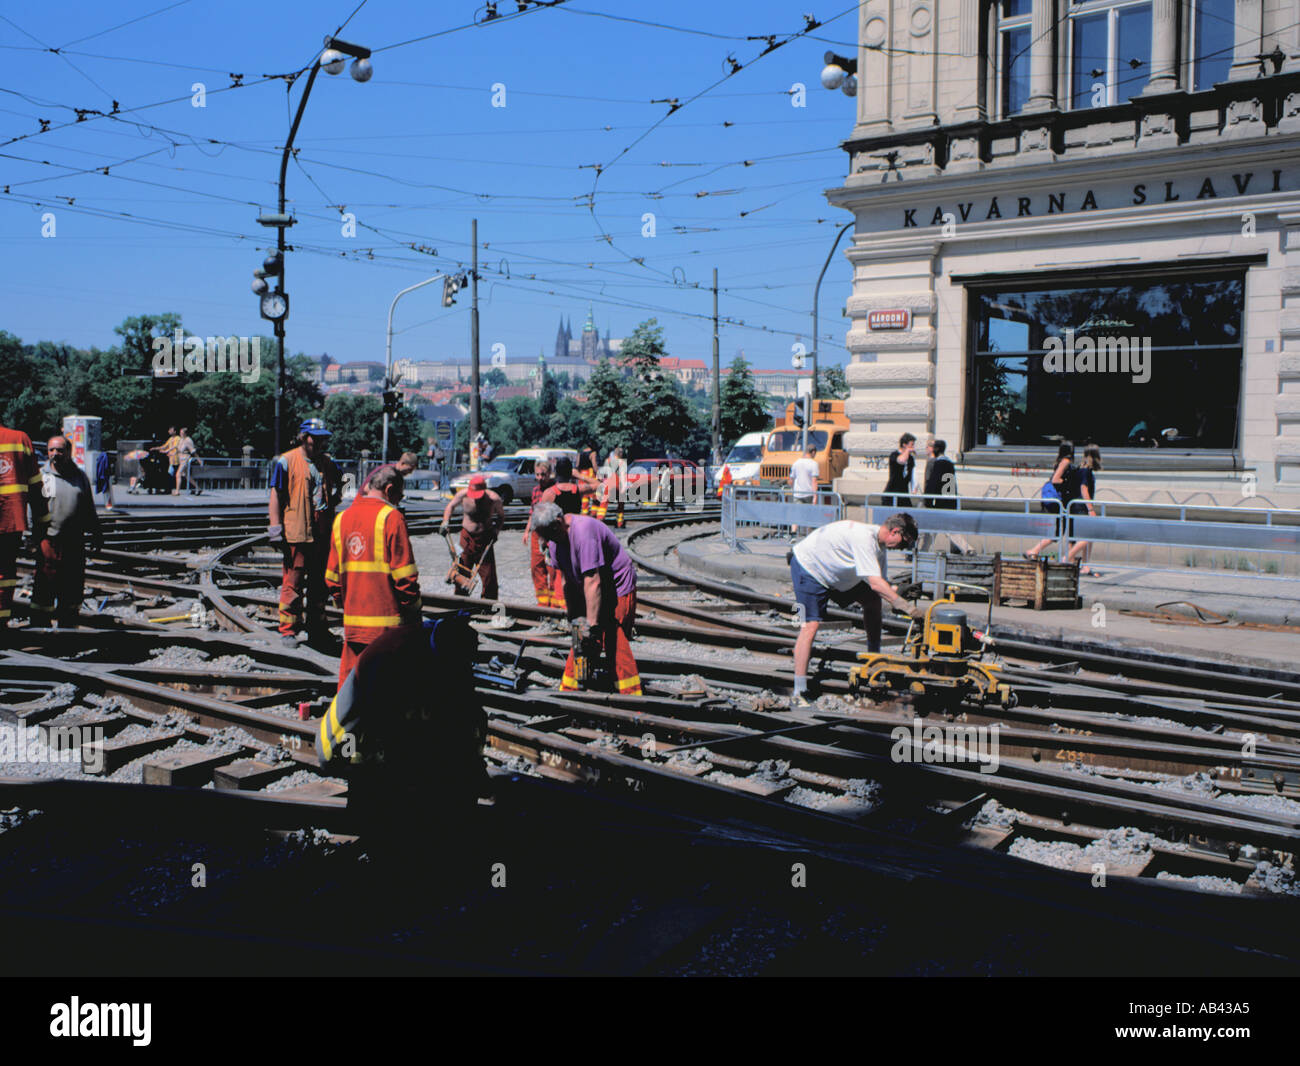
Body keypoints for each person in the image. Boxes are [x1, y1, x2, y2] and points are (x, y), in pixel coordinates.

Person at [316, 616, 488, 852]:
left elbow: (466, 718)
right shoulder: (390, 660)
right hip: (364, 740)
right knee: (380, 772)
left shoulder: (449, 661)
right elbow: (382, 730)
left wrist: (471, 767)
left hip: (397, 734)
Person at [788, 513, 923, 708]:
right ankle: (799, 690)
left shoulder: (880, 548)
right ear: (895, 531)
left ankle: (874, 662)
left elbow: (880, 586)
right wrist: (907, 607)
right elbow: (876, 583)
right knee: (810, 625)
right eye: (904, 542)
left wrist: (898, 592)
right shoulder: (864, 539)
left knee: (873, 601)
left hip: (838, 575)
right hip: (811, 569)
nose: (903, 548)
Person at [530, 501, 641, 696]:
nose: (544, 540)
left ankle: (631, 696)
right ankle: (575, 687)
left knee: (614, 639)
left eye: (546, 534)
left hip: (615, 585)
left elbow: (593, 581)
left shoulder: (583, 533)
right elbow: (566, 580)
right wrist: (575, 618)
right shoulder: (555, 542)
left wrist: (592, 625)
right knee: (581, 636)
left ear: (557, 523)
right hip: (591, 586)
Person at [325, 465, 421, 686]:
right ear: (389, 490)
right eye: (399, 495)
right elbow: (405, 578)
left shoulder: (342, 519)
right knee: (386, 691)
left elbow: (331, 578)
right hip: (386, 627)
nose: (399, 501)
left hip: (353, 625)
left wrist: (345, 604)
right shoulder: (392, 518)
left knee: (350, 689)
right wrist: (413, 609)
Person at [268, 418, 342, 646]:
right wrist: (275, 528)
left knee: (320, 584)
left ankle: (317, 627)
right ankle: (288, 629)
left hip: (321, 532)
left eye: (323, 438)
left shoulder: (328, 463)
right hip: (296, 532)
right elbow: (276, 495)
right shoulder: (287, 461)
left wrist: (337, 499)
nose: (320, 442)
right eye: (315, 438)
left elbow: (343, 481)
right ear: (303, 437)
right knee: (293, 581)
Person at [31, 436, 103, 628]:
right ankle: (39, 628)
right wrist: (32, 538)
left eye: (60, 450)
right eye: (51, 450)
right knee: (44, 585)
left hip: (74, 542)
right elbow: (33, 508)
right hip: (49, 541)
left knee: (71, 587)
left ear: (69, 452)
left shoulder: (80, 477)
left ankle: (68, 629)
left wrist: (96, 532)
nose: (55, 454)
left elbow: (89, 507)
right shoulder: (41, 476)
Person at [0, 420, 49, 629]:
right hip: (11, 521)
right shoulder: (20, 440)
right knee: (5, 573)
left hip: (11, 520)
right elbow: (37, 487)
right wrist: (41, 524)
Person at [440, 473, 504, 599]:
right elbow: (450, 506)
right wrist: (445, 521)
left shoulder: (493, 499)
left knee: (489, 575)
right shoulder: (463, 495)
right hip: (466, 538)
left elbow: (501, 516)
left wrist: (496, 531)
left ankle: (488, 604)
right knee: (462, 570)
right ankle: (460, 602)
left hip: (485, 537)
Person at [1025, 442, 1079, 559]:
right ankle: (1033, 551)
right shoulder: (1066, 461)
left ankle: (1070, 559)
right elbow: (1055, 479)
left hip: (1060, 502)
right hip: (1060, 502)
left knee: (1064, 531)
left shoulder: (1060, 461)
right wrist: (1067, 484)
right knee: (1058, 532)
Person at [922, 438, 972, 554]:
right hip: (950, 499)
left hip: (940, 502)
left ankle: (967, 549)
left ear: (936, 449)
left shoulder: (937, 464)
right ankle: (923, 550)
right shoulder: (949, 463)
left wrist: (928, 501)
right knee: (933, 528)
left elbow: (933, 483)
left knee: (945, 528)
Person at [522, 459, 557, 606]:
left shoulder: (555, 489)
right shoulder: (535, 490)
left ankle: (556, 604)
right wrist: (526, 531)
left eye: (543, 474)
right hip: (536, 533)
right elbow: (533, 512)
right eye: (537, 475)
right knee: (537, 567)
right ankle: (543, 603)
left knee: (552, 568)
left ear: (549, 473)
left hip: (551, 534)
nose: (540, 478)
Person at [1066, 444, 1102, 575]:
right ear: (1095, 456)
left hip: (1075, 507)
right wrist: (1091, 509)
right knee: (1088, 536)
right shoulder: (1086, 471)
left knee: (1084, 537)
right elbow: (1083, 489)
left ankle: (1082, 565)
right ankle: (1067, 558)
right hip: (1082, 508)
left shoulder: (1079, 469)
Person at [789, 444, 819, 536]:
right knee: (809, 515)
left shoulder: (796, 463)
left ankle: (793, 534)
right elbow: (814, 481)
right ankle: (809, 536)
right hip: (808, 493)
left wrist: (793, 488)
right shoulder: (814, 464)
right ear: (813, 452)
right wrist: (815, 496)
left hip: (797, 493)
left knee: (796, 515)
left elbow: (791, 480)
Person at [881, 433, 916, 508]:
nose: (913, 447)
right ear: (904, 444)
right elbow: (901, 460)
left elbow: (912, 473)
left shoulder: (911, 458)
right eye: (911, 444)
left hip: (904, 492)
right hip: (892, 491)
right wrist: (907, 451)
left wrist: (914, 487)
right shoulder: (894, 455)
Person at [174, 426, 198, 495]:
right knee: (187, 476)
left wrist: (198, 459)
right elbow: (178, 449)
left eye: (182, 433)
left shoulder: (188, 440)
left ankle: (177, 491)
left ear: (185, 433)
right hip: (181, 459)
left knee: (178, 474)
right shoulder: (181, 440)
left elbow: (193, 451)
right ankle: (198, 488)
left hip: (185, 459)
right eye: (180, 433)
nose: (180, 434)